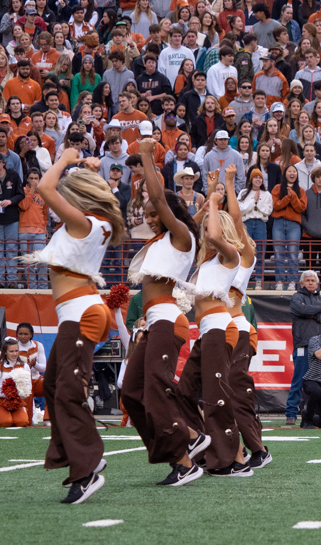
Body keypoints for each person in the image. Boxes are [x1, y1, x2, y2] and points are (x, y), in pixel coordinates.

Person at [28, 146, 126, 504]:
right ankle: (80, 455)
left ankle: (86, 469)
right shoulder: (93, 222)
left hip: (81, 313)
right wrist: (84, 167)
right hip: (79, 310)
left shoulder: (84, 223)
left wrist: (66, 160)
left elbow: (45, 189)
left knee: (67, 390)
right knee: (54, 386)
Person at [121, 136, 202, 486]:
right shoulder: (165, 240)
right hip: (154, 323)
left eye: (157, 214)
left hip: (168, 320)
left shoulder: (181, 235)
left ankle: (186, 460)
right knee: (130, 392)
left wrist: (145, 156)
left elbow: (157, 197)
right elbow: (156, 203)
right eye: (150, 216)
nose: (151, 219)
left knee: (155, 387)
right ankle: (187, 437)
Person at [175, 169, 248, 477]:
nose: (206, 231)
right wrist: (204, 209)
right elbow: (187, 232)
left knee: (216, 396)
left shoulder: (231, 255)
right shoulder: (205, 262)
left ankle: (234, 460)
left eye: (210, 226)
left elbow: (217, 235)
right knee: (185, 392)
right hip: (207, 331)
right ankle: (203, 446)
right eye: (204, 226)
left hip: (221, 328)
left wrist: (216, 202)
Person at [221, 163, 271, 468]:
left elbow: (238, 220)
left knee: (235, 391)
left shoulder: (242, 258)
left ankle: (257, 448)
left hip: (237, 330)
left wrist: (228, 184)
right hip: (217, 331)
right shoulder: (212, 261)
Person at [287, 271, 321, 425]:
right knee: (299, 380)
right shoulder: (297, 297)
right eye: (308, 280)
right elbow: (302, 310)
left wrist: (312, 311)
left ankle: (319, 415)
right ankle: (291, 412)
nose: (311, 283)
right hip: (303, 344)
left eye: (313, 280)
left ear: (317, 283)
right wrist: (319, 310)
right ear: (302, 283)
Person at [0, 338, 30, 428]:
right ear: (5, 352)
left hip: (18, 402)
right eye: (11, 351)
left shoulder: (24, 366)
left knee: (22, 422)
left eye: (16, 351)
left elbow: (29, 386)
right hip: (1, 401)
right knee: (5, 423)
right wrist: (4, 394)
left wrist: (20, 393)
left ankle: (15, 416)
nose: (14, 354)